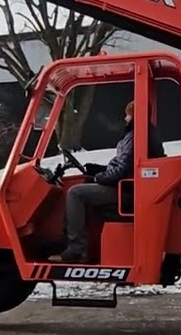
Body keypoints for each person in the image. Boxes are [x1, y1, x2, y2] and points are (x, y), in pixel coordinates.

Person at [52, 101, 164, 263]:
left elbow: (122, 169)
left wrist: (100, 177)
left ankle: (76, 249)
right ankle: (82, 245)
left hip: (126, 191)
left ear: (134, 115)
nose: (125, 118)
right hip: (128, 186)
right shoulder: (139, 134)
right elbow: (123, 165)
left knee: (75, 193)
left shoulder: (137, 136)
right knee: (82, 187)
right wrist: (97, 169)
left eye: (127, 114)